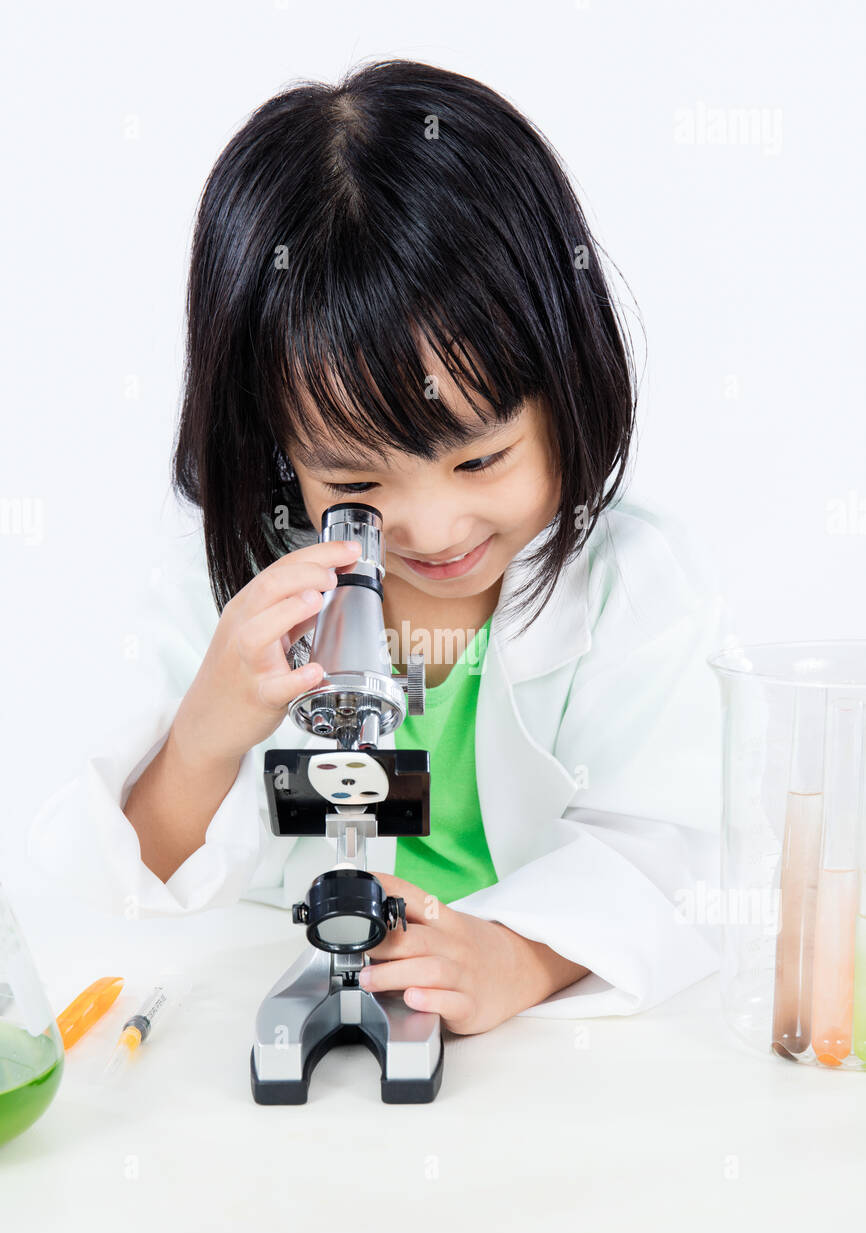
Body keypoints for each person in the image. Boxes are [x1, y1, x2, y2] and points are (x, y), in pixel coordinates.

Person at [28, 59, 730, 1034]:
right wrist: (208, 730)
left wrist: (516, 955)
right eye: (353, 486)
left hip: (537, 1057)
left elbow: (669, 853)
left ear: (568, 386)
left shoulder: (629, 589)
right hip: (266, 994)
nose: (434, 529)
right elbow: (133, 871)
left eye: (480, 459)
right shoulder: (226, 591)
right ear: (274, 450)